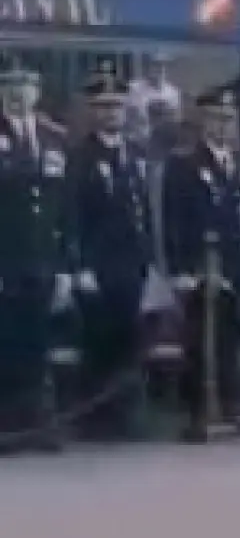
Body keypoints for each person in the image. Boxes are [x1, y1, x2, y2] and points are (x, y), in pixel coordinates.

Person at [68, 63, 155, 441]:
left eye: (116, 107)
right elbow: (72, 214)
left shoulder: (135, 155)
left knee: (129, 340)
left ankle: (124, 417)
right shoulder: (81, 157)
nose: (111, 114)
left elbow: (144, 212)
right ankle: (95, 420)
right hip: (99, 264)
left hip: (131, 264)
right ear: (92, 111)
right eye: (103, 106)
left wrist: (149, 258)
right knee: (99, 343)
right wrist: (80, 265)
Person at [162, 84, 240, 443]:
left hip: (233, 266)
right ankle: (198, 409)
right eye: (217, 118)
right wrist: (181, 269)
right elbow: (174, 219)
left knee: (231, 339)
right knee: (201, 342)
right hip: (201, 267)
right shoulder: (184, 164)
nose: (224, 126)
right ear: (202, 121)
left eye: (229, 119)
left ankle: (228, 403)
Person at [0, 58, 73, 453]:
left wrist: (66, 266)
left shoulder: (54, 139)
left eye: (25, 86)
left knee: (38, 342)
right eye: (9, 86)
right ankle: (8, 426)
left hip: (44, 258)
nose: (17, 93)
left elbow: (66, 207)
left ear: (37, 92)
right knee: (6, 343)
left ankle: (38, 423)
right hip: (5, 260)